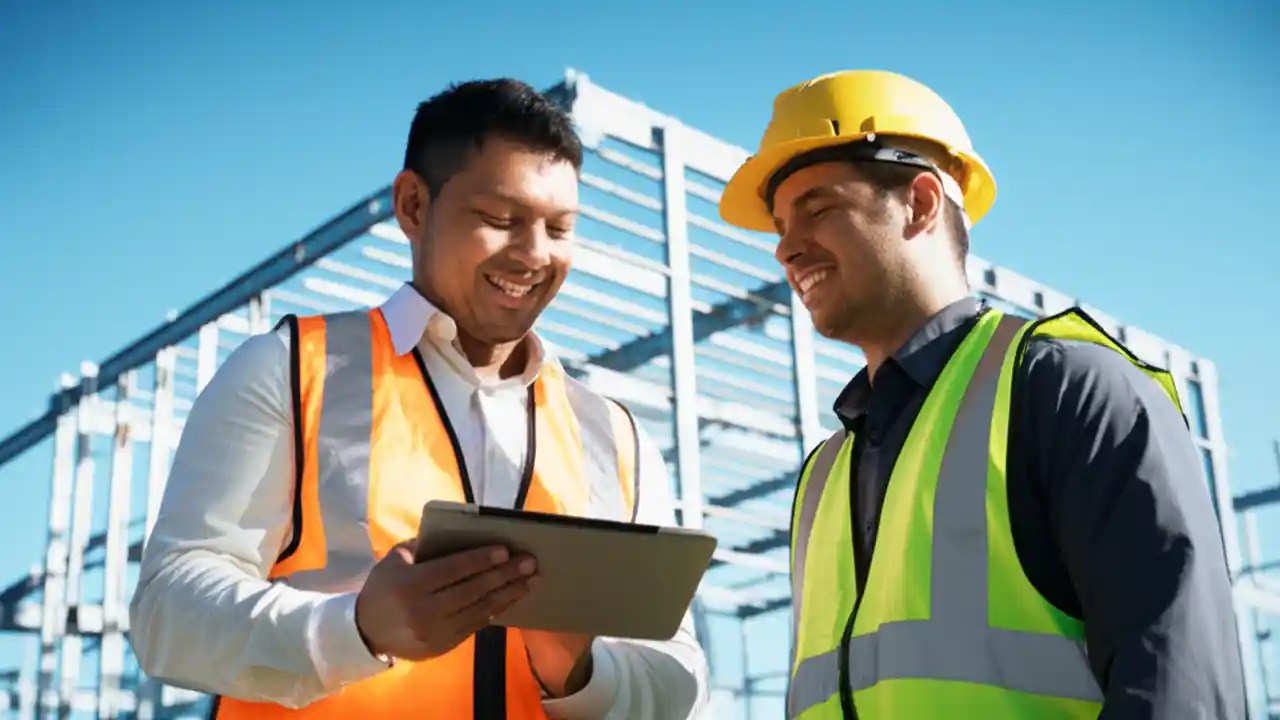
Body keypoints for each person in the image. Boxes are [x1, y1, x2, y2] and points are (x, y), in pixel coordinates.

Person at [129, 78, 709, 720]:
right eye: (500, 220)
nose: (534, 254)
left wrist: (578, 673)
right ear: (412, 205)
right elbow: (167, 614)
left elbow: (676, 677)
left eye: (559, 228)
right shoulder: (291, 372)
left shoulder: (613, 436)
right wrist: (355, 630)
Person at [717, 69, 1245, 719]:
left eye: (819, 209)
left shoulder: (1065, 390)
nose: (787, 249)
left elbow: (1179, 688)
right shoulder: (824, 475)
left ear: (921, 202)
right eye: (779, 225)